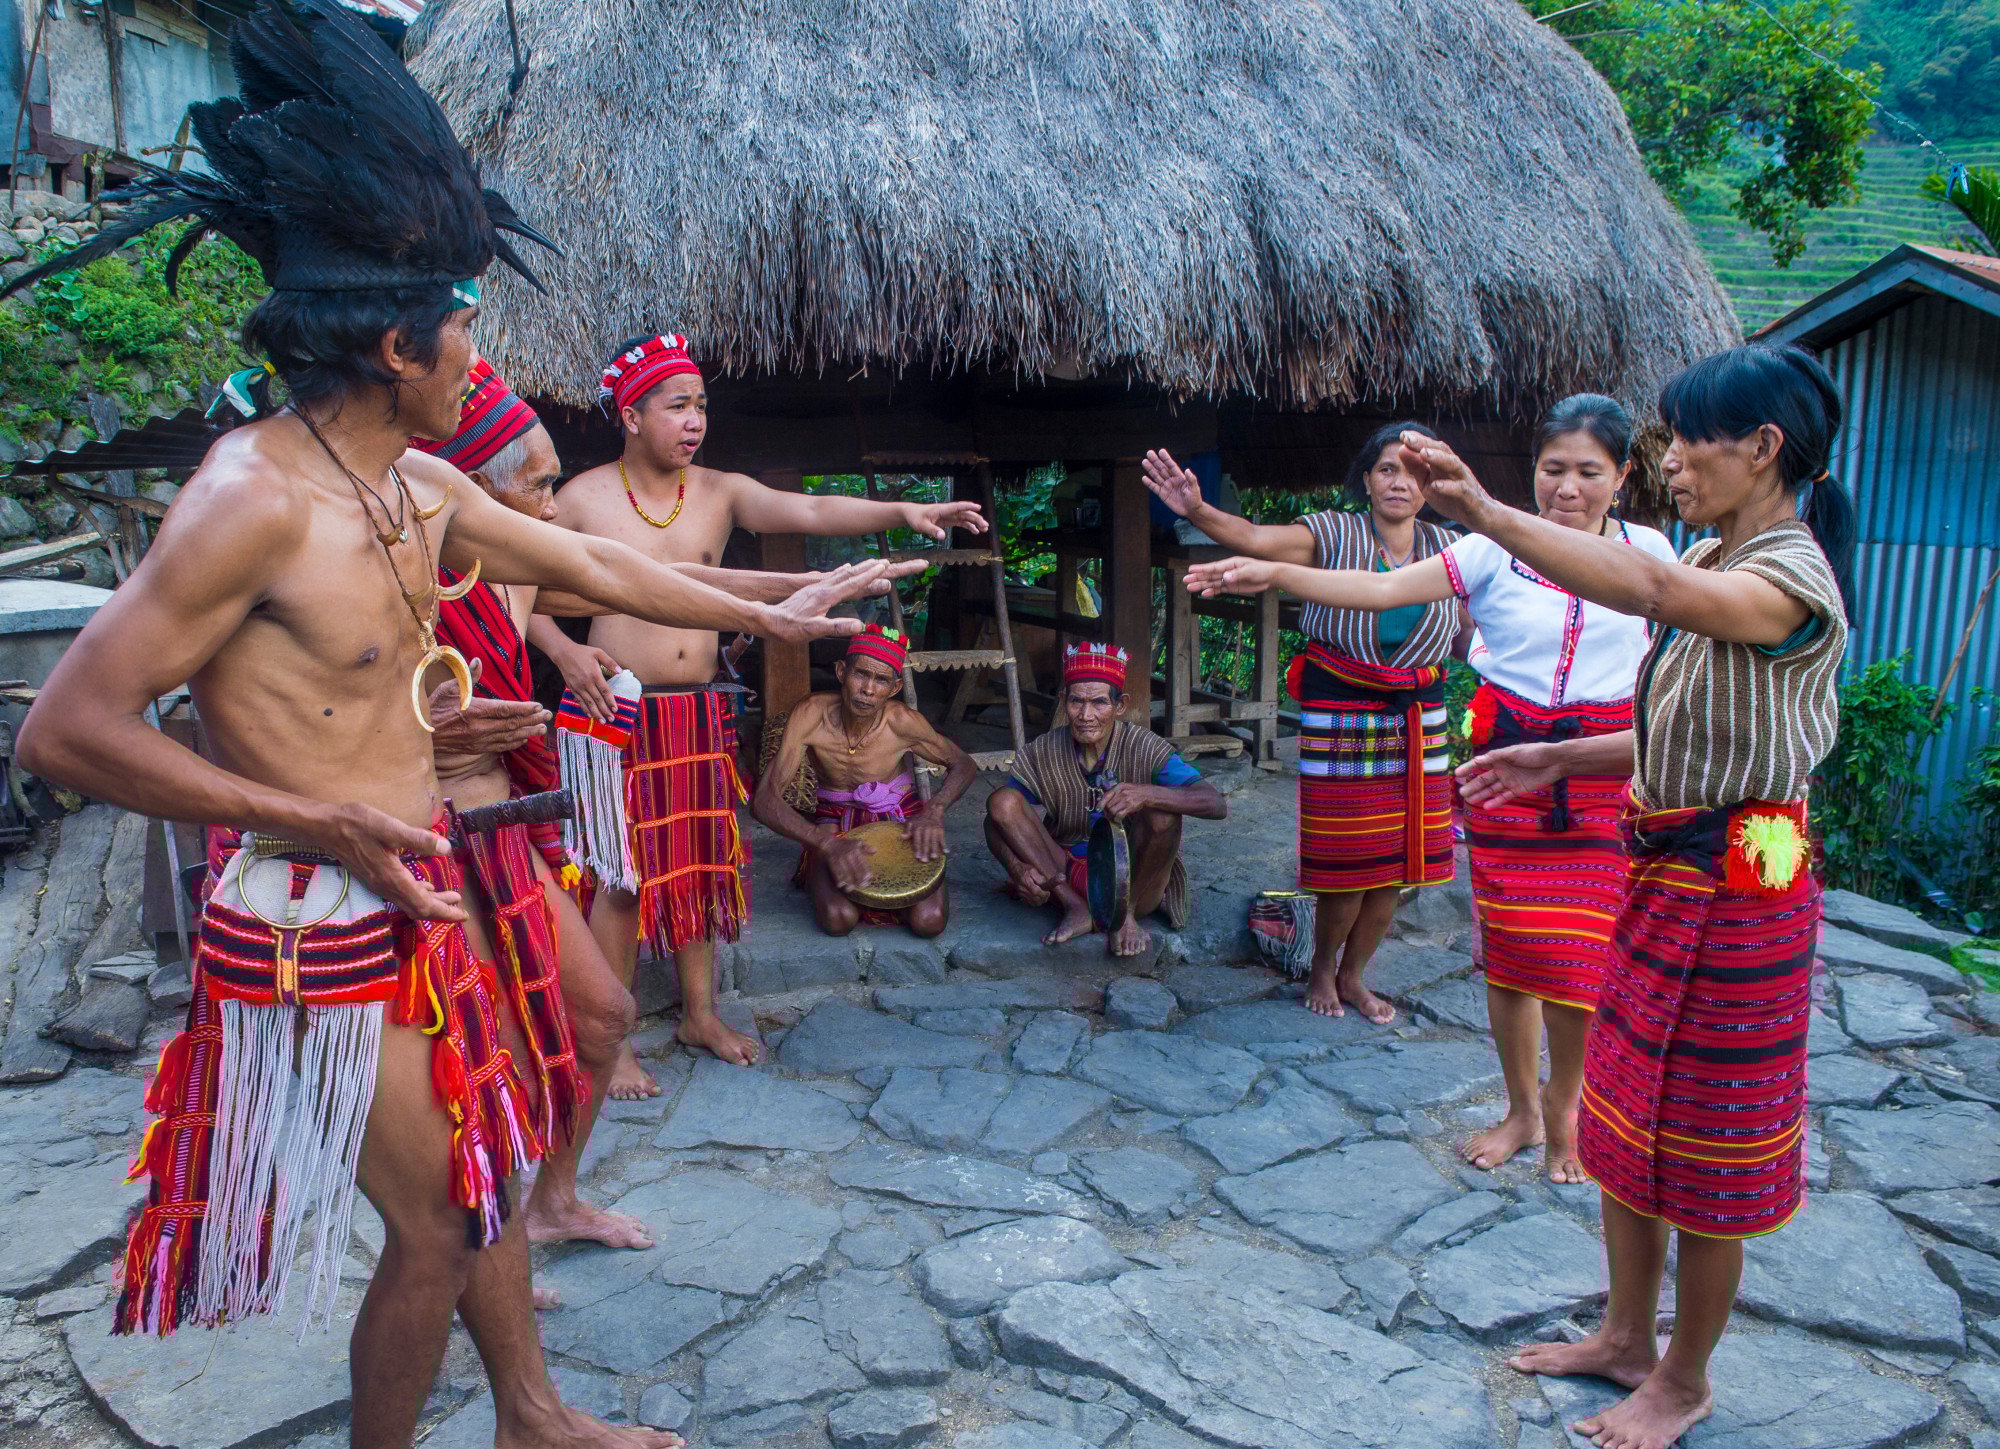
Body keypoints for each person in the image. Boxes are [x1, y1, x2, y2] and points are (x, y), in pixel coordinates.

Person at [4, 9, 910, 1448]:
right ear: (393, 340)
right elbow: (62, 731)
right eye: (464, 321)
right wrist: (320, 816)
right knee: (436, 1222)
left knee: (482, 1166)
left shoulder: (413, 485)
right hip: (308, 912)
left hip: (408, 884)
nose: (480, 347)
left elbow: (602, 567)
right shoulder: (249, 501)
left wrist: (789, 609)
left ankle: (530, 1415)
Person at [1410, 345, 1853, 1449]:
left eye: (1684, 437)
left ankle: (1685, 1379)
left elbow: (1647, 588)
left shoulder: (1786, 578)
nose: (1668, 458)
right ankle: (1622, 1335)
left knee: (1707, 1142)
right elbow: (1674, 728)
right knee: (1617, 1110)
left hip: (1739, 891)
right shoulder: (1719, 548)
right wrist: (1558, 762)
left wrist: (1483, 509)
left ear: (1759, 448)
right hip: (1661, 871)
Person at [1186, 395, 1678, 1184]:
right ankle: (1520, 1108)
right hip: (1504, 770)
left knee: (1583, 965)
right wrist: (1273, 569)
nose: (1568, 489)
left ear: (1621, 477)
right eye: (1554, 469)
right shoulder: (1488, 551)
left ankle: (1566, 1108)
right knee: (1514, 957)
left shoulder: (1652, 555)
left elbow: (1682, 658)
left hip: (1601, 773)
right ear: (1533, 469)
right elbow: (1382, 592)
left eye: (1590, 472)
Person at [549, 334, 987, 1086]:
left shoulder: (719, 491)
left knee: (701, 866)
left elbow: (810, 507)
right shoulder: (579, 498)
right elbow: (514, 592)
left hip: (696, 710)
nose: (695, 421)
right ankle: (610, 1036)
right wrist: (562, 650)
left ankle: (699, 1011)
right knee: (618, 877)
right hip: (612, 708)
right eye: (677, 405)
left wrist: (905, 507)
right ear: (631, 413)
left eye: (702, 406)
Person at [417, 358, 652, 1265]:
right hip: (434, 849)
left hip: (510, 830)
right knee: (488, 1061)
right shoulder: (409, 579)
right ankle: (484, 1254)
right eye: (540, 483)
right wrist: (426, 728)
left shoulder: (514, 569)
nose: (553, 504)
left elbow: (630, 574)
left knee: (603, 1019)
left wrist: (784, 603)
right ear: (471, 487)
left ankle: (553, 1202)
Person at [1143, 428, 1465, 1022]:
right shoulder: (1332, 532)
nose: (1399, 482)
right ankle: (1321, 967)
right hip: (1342, 709)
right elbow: (1253, 537)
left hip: (1421, 716)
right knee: (1349, 862)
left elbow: (1475, 628)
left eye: (1413, 473)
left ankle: (1354, 976)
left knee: (1397, 869)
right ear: (1366, 479)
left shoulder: (1450, 548)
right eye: (1386, 469)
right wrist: (1196, 509)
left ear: (1431, 486)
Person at [985, 643, 1227, 957]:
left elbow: (1215, 804)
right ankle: (1076, 908)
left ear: (1120, 705)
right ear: (1063, 701)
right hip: (1066, 870)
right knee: (1001, 801)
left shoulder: (1145, 746)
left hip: (1137, 881)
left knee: (1163, 816)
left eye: (1099, 702)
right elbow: (997, 821)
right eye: (1076, 701)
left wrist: (1146, 793)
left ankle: (1123, 917)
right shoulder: (1043, 750)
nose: (1086, 715)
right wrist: (1016, 867)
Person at [751, 623, 976, 937]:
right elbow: (763, 800)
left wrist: (934, 811)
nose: (868, 690)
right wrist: (824, 843)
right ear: (842, 672)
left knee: (930, 921)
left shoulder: (902, 723)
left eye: (881, 680)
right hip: (834, 817)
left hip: (898, 813)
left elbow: (963, 764)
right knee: (838, 919)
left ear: (895, 687)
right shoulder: (810, 714)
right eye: (861, 674)